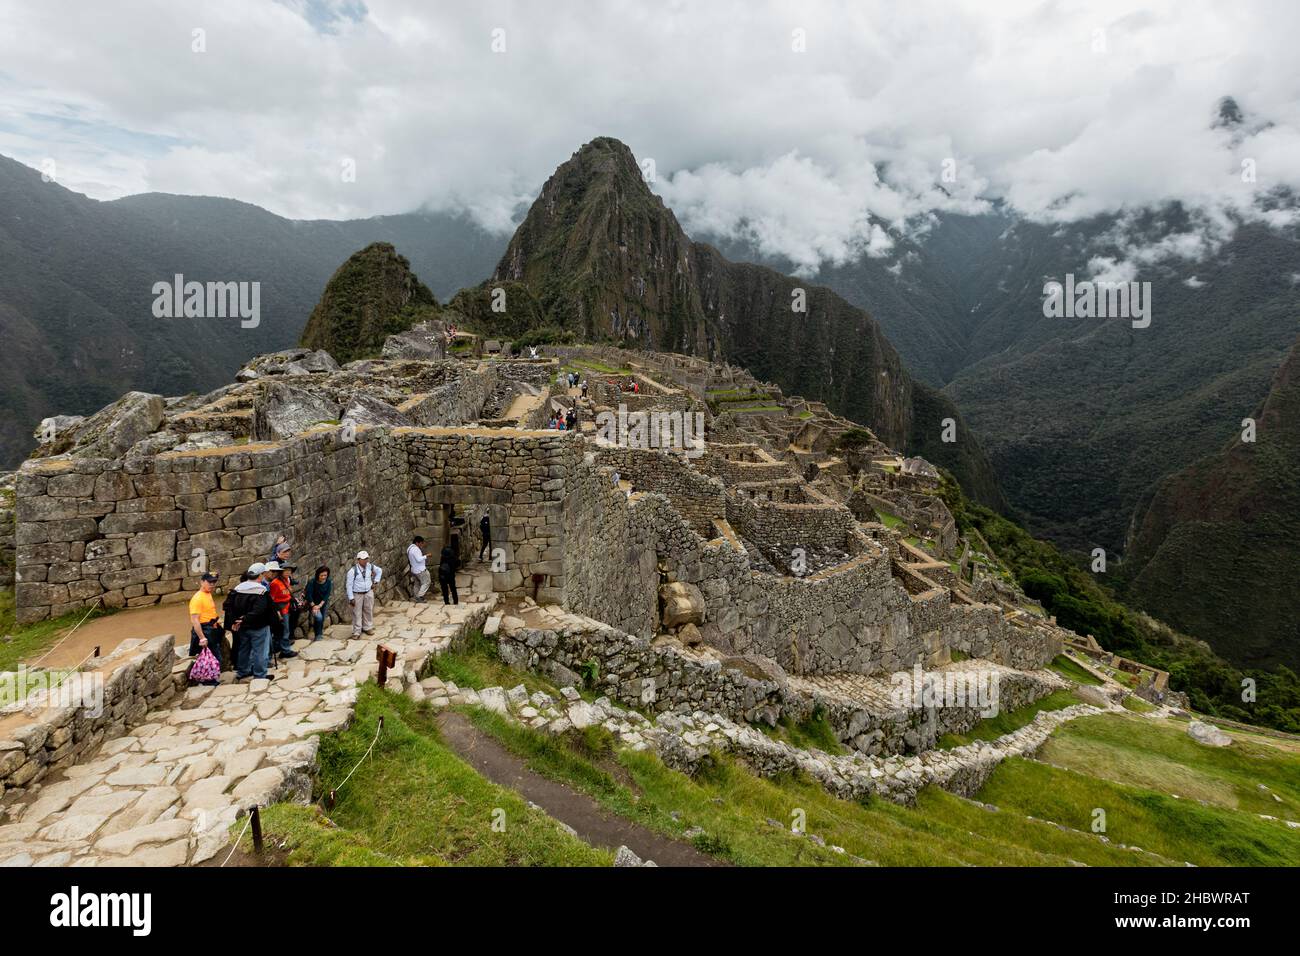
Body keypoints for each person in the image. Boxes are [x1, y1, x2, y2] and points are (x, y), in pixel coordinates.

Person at [224, 563, 275, 682]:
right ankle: (260, 675)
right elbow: (260, 610)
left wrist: (237, 620)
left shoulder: (237, 589)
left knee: (244, 648)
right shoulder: (261, 591)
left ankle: (243, 671)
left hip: (242, 627)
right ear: (261, 575)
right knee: (260, 651)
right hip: (258, 626)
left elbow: (228, 607)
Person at [188, 572, 223, 671]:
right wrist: (202, 638)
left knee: (215, 656)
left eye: (214, 582)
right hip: (205, 631)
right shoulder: (197, 599)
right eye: (209, 582)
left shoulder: (207, 594)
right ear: (202, 582)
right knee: (211, 658)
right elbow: (195, 620)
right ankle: (209, 681)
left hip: (212, 628)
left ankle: (212, 679)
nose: (212, 584)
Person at [346, 550, 383, 637]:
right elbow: (349, 585)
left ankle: (367, 627)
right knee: (357, 612)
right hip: (357, 593)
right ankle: (356, 631)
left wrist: (376, 582)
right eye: (363, 559)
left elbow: (380, 571)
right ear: (358, 560)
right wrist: (351, 598)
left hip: (368, 592)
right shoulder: (352, 571)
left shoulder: (370, 566)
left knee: (368, 610)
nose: (365, 561)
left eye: (367, 558)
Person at [265, 562, 297, 660]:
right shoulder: (275, 583)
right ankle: (285, 650)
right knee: (284, 630)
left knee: (286, 630)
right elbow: (272, 599)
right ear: (281, 572)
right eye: (286, 570)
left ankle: (284, 649)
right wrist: (277, 612)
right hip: (281, 609)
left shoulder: (286, 581)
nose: (288, 572)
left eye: (289, 571)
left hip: (287, 607)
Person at [304, 566, 332, 641]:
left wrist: (320, 605)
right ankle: (318, 635)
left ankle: (319, 634)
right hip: (312, 604)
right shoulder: (312, 582)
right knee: (318, 618)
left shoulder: (328, 582)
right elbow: (308, 595)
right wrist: (314, 606)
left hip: (322, 604)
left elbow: (327, 594)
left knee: (322, 619)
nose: (323, 577)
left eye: (325, 575)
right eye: (321, 575)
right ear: (318, 575)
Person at [407, 535, 431, 602]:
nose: (422, 544)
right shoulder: (416, 549)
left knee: (417, 583)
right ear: (417, 542)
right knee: (427, 582)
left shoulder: (409, 548)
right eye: (421, 543)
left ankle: (416, 596)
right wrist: (427, 556)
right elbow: (418, 559)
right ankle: (420, 596)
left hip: (414, 569)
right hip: (420, 570)